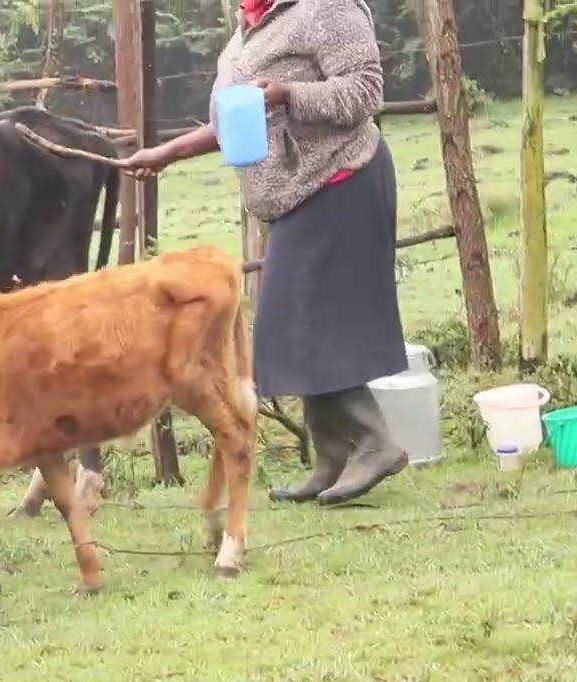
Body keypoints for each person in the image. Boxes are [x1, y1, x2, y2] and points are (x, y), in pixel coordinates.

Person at [124, 0, 408, 505]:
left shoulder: (327, 9)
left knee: (304, 323)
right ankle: (332, 457)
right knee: (291, 327)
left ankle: (373, 442)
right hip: (296, 195)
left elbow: (365, 90)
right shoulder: (243, 38)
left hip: (341, 179)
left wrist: (286, 94)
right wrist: (168, 154)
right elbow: (235, 123)